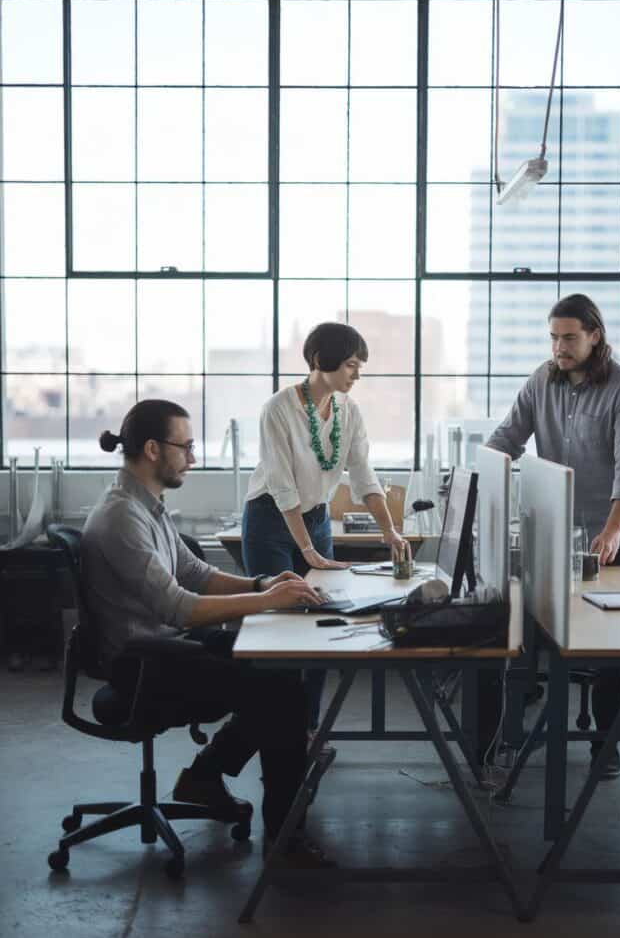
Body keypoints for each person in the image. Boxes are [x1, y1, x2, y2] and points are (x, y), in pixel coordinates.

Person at [82, 398, 334, 867]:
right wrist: (266, 601)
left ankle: (206, 777)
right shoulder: (122, 518)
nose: (194, 458)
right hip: (144, 666)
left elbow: (194, 573)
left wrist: (263, 583)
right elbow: (177, 608)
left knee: (277, 670)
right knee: (278, 694)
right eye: (187, 446)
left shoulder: (145, 504)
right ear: (154, 450)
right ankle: (283, 835)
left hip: (164, 649)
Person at [486, 292, 620, 779]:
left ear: (595, 336)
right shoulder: (541, 380)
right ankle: (514, 732)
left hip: (613, 530)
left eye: (570, 338)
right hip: (556, 531)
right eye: (554, 337)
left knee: (610, 648)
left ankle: (605, 744)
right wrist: (479, 478)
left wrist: (613, 530)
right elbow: (506, 438)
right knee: (524, 623)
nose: (560, 347)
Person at [242, 321, 409, 736]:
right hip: (270, 519)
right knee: (279, 627)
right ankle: (275, 738)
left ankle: (309, 735)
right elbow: (281, 487)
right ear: (320, 361)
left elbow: (364, 476)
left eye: (360, 366)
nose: (357, 374)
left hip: (314, 520)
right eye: (351, 365)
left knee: (319, 623)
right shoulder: (278, 409)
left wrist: (389, 530)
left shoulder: (348, 411)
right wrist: (309, 552)